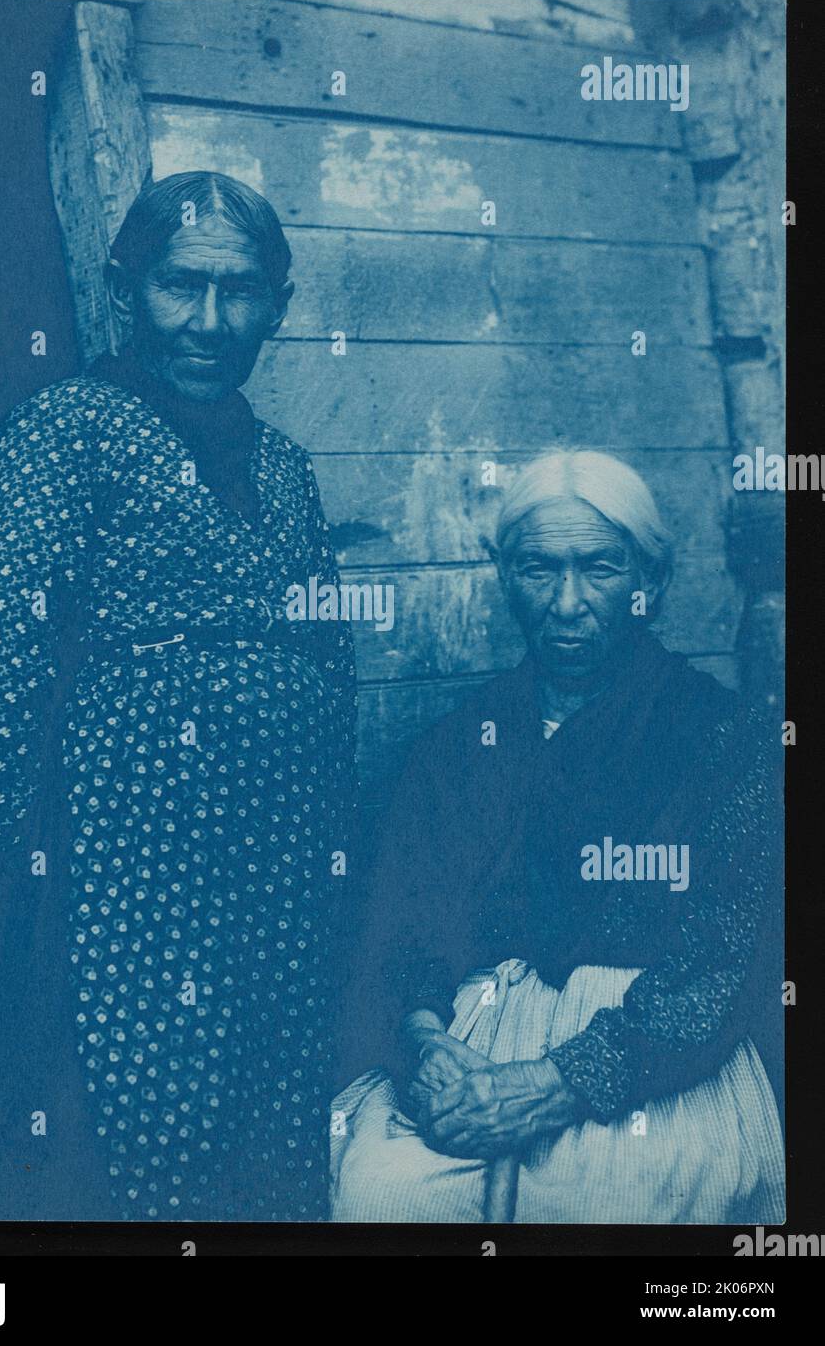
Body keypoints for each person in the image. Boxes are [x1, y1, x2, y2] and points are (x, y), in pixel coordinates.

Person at [0, 171, 357, 1221]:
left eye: (239, 290)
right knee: (143, 1120)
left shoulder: (286, 466)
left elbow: (329, 655)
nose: (209, 322)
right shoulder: (65, 431)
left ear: (279, 305)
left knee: (276, 1114)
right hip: (133, 870)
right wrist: (55, 846)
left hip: (282, 866)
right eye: (180, 287)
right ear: (130, 288)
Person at [331, 450, 784, 1224]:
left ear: (651, 580)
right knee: (385, 1192)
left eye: (600, 569)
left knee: (614, 1197)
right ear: (505, 577)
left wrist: (562, 1083)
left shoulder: (722, 736)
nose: (566, 602)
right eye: (537, 569)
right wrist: (426, 1047)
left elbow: (721, 961)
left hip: (651, 1052)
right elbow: (401, 928)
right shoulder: (456, 743)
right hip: (468, 1038)